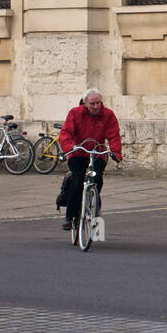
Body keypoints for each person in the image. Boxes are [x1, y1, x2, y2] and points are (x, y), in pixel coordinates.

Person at [58, 88, 122, 231]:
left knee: (97, 178)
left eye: (98, 103)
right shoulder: (75, 113)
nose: (96, 106)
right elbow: (66, 133)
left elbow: (113, 135)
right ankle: (70, 216)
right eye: (92, 103)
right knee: (77, 180)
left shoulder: (108, 115)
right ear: (85, 103)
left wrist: (116, 152)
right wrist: (70, 147)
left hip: (97, 152)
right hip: (78, 152)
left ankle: (93, 205)